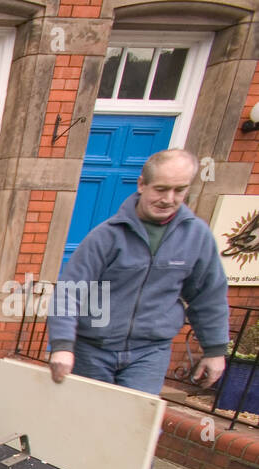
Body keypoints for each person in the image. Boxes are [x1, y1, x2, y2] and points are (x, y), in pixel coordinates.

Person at [47, 148, 230, 394]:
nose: (169, 199)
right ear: (142, 184)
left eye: (179, 190)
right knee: (85, 422)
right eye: (161, 189)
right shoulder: (107, 236)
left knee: (133, 425)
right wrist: (62, 345)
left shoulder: (197, 237)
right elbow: (69, 291)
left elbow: (209, 295)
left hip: (149, 353)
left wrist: (215, 349)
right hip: (93, 349)